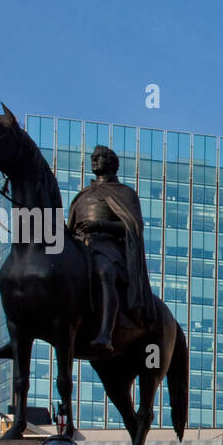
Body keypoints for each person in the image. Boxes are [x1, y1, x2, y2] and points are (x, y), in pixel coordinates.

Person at [69, 145, 155, 356]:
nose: (95, 160)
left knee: (104, 271)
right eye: (93, 157)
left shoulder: (124, 193)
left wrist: (99, 226)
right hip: (79, 246)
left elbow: (133, 226)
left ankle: (105, 333)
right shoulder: (83, 195)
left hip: (108, 247)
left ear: (112, 163)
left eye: (100, 157)